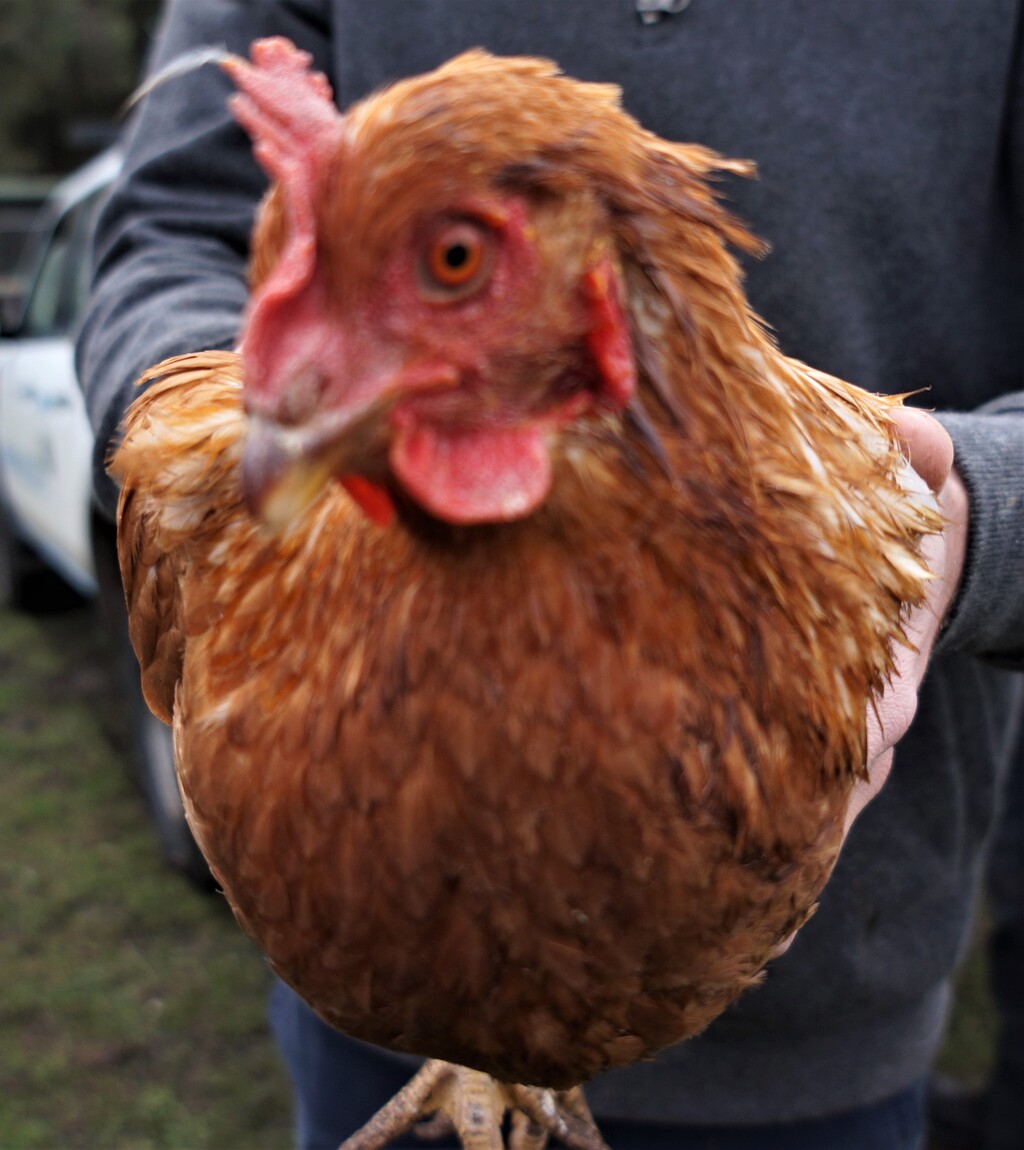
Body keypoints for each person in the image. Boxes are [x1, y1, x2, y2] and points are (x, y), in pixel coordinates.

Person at [76, 2, 1024, 1148]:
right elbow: (175, 220)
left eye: (454, 260)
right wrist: (194, 470)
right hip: (370, 1000)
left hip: (829, 1031)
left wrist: (966, 516)